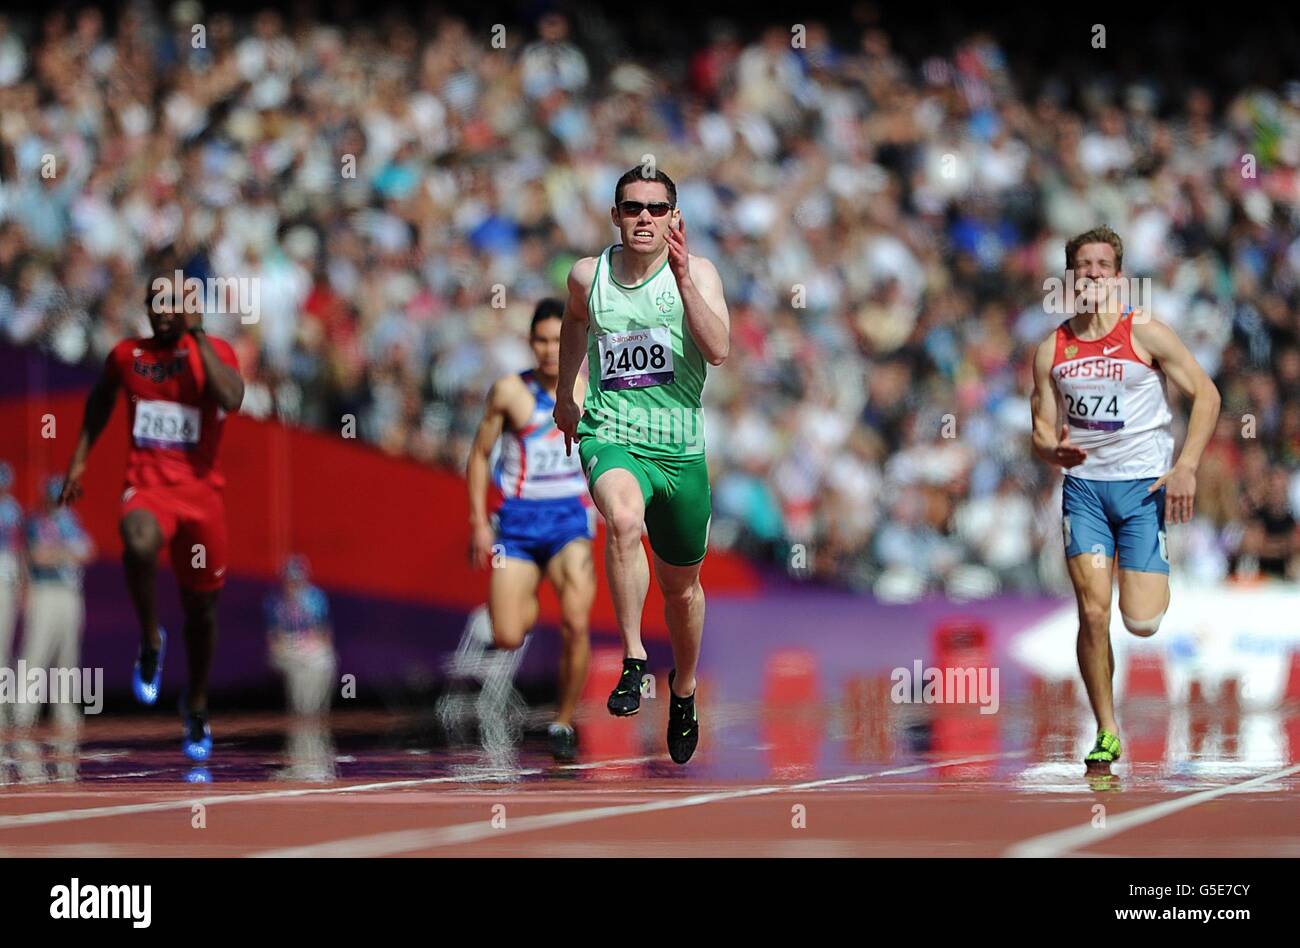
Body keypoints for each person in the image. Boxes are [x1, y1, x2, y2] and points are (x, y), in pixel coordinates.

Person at [553, 167, 730, 764]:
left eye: (657, 209)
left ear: (674, 219)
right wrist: (564, 396)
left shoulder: (699, 273)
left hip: (680, 448)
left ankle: (682, 686)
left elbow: (720, 349)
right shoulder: (588, 275)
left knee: (682, 590)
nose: (644, 219)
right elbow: (575, 322)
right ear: (615, 215)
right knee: (624, 521)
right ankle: (632, 657)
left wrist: (682, 280)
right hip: (612, 435)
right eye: (633, 208)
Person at [1030, 226, 1221, 771]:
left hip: (1142, 494)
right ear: (1071, 277)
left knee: (1140, 622)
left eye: (1102, 265)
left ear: (1118, 277)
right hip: (1085, 494)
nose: (1092, 273)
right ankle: (1107, 729)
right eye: (1082, 265)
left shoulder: (1147, 335)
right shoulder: (1052, 349)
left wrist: (1186, 465)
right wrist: (1052, 450)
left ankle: (1150, 571)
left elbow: (1207, 394)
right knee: (1092, 612)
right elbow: (1041, 428)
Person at [59, 270, 244, 760]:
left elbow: (231, 398)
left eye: (173, 305)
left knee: (202, 610)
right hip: (147, 489)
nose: (165, 312)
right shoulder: (127, 356)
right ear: (145, 308)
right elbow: (100, 402)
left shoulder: (214, 352)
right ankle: (149, 637)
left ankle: (197, 701)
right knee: (136, 538)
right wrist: (79, 458)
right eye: (156, 304)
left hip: (202, 497)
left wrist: (198, 334)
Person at [466, 298, 596, 761]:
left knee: (577, 623)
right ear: (529, 343)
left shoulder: (590, 390)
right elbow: (479, 455)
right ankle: (530, 586)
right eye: (539, 341)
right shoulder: (508, 392)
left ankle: (562, 720)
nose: (547, 350)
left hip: (568, 523)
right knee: (506, 635)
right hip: (517, 527)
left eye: (556, 340)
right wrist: (479, 522)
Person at [16, 476, 94, 730]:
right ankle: (23, 710)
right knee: (36, 650)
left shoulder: (71, 521)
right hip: (45, 592)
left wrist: (61, 552)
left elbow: (88, 550)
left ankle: (65, 708)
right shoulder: (37, 522)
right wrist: (67, 552)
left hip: (70, 593)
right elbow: (39, 557)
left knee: (68, 653)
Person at [265, 554, 337, 717]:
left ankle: (317, 712)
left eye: (297, 580)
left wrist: (315, 645)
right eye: (290, 580)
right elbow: (274, 640)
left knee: (325, 662)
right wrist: (291, 647)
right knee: (300, 670)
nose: (293, 584)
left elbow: (325, 633)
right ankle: (301, 713)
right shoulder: (274, 601)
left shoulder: (316, 598)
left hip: (312, 647)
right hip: (287, 649)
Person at [0, 462, 22, 727]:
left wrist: (22, 583)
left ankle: (3, 708)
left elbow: (19, 549)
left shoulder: (13, 509)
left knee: (3, 649)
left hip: (7, 582)